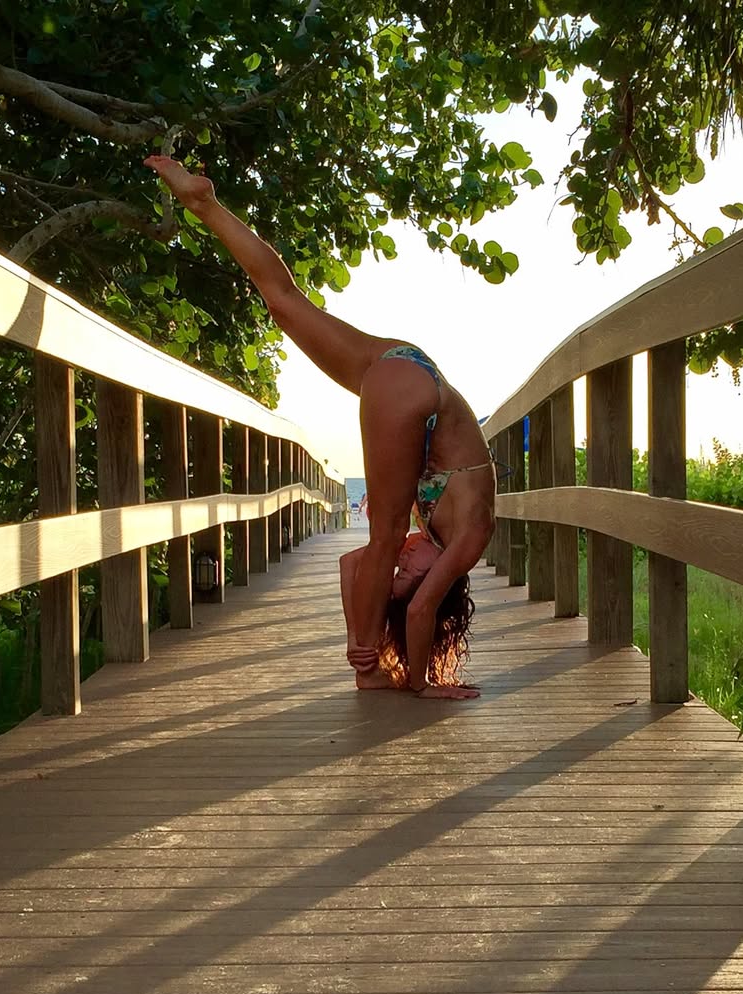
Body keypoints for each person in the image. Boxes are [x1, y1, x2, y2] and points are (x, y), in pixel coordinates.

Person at [145, 155, 495, 699]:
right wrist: (420, 681)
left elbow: (350, 560)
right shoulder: (469, 537)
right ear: (440, 577)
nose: (406, 560)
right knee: (382, 536)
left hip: (403, 367)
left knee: (284, 305)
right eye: (411, 570)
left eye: (398, 574)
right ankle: (367, 675)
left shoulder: (432, 538)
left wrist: (362, 633)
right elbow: (419, 602)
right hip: (413, 393)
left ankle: (205, 205)